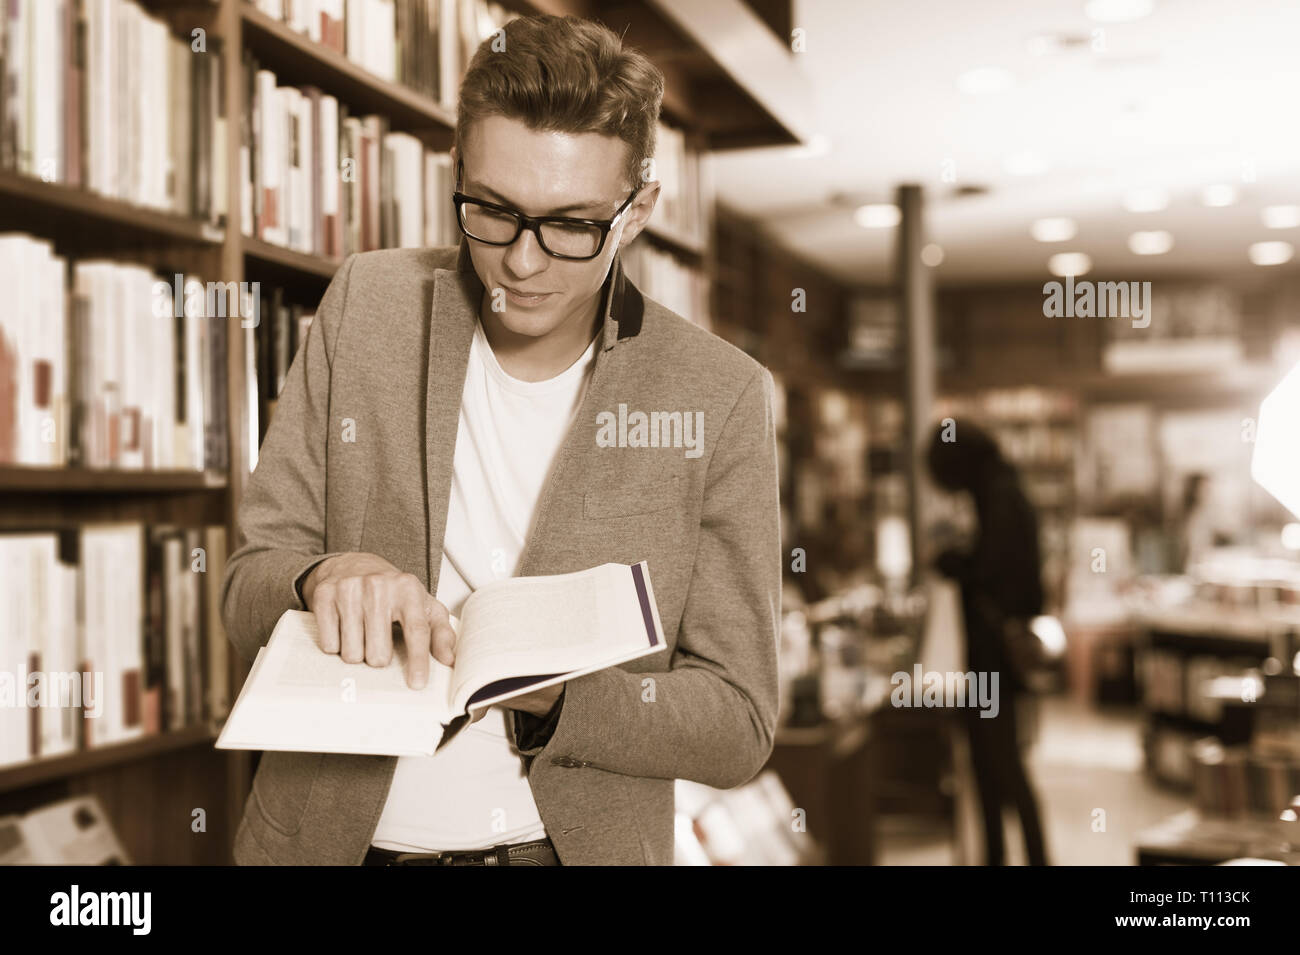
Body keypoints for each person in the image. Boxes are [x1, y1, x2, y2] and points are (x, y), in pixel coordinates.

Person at [220, 14, 781, 866]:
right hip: (326, 845)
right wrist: (322, 576)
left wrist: (562, 702)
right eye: (493, 210)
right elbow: (244, 589)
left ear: (638, 214)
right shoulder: (367, 303)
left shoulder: (719, 392)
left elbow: (739, 719)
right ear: (459, 175)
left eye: (571, 224)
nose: (522, 262)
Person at [926, 421, 1049, 866]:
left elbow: (992, 571)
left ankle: (1031, 859)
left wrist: (950, 561)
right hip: (991, 656)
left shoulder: (997, 492)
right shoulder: (1001, 486)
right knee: (991, 766)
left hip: (992, 657)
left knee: (1001, 766)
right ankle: (1002, 856)